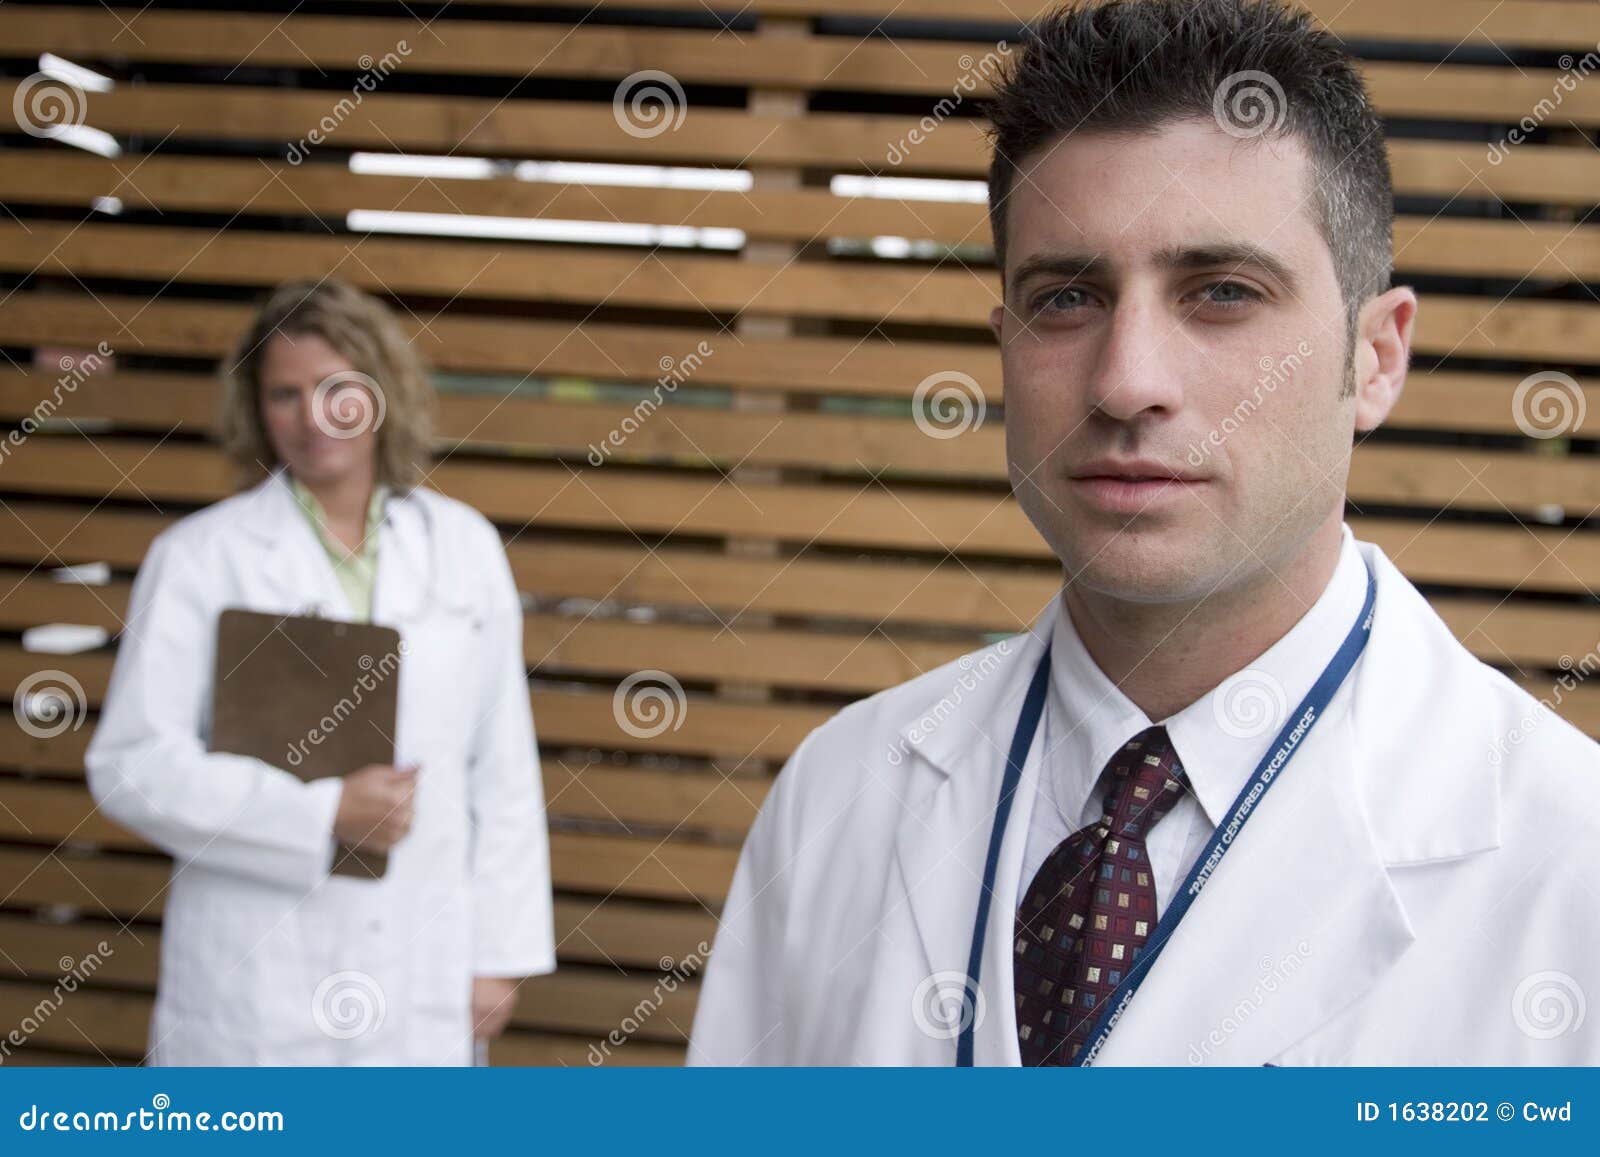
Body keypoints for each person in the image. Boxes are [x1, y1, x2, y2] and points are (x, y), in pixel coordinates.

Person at [690, 0, 1600, 1066]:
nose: (1126, 381)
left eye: (1221, 291)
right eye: (1066, 297)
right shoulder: (837, 795)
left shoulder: (1566, 859)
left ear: (1376, 357)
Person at [86, 279, 555, 1065]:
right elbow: (132, 768)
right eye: (284, 394)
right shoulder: (202, 557)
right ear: (256, 410)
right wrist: (320, 812)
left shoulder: (464, 547)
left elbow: (501, 768)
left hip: (422, 966)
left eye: (336, 388)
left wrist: (498, 955)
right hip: (257, 972)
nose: (312, 417)